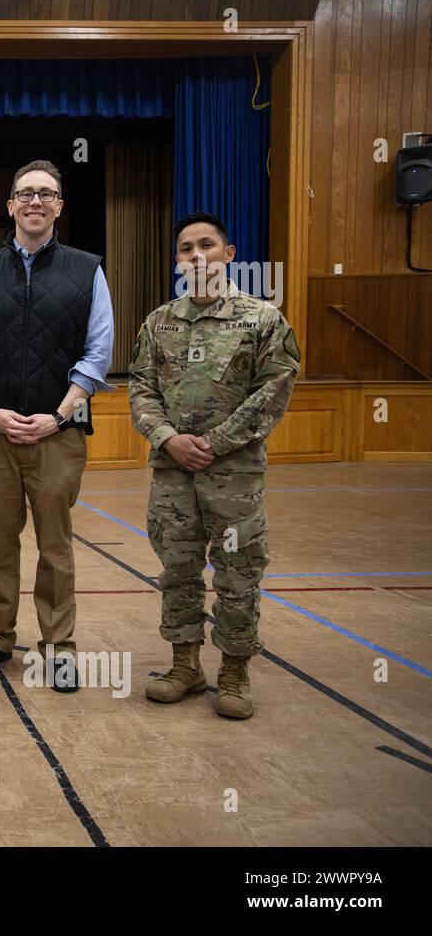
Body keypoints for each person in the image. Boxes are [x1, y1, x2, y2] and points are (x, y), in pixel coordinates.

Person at [0, 159, 114, 692]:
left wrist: (59, 414)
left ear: (60, 205)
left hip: (58, 434)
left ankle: (58, 648)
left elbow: (98, 352)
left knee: (55, 546)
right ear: (10, 205)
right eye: (25, 193)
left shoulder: (88, 269)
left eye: (46, 193)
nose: (35, 201)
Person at [130, 211, 299, 719]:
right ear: (178, 260)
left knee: (237, 573)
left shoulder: (262, 319)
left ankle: (234, 672)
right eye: (186, 248)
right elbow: (140, 389)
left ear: (228, 255)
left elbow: (275, 390)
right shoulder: (158, 322)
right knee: (178, 570)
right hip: (172, 474)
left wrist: (215, 442)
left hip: (234, 477)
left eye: (206, 245)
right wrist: (168, 438)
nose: (196, 255)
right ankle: (185, 665)